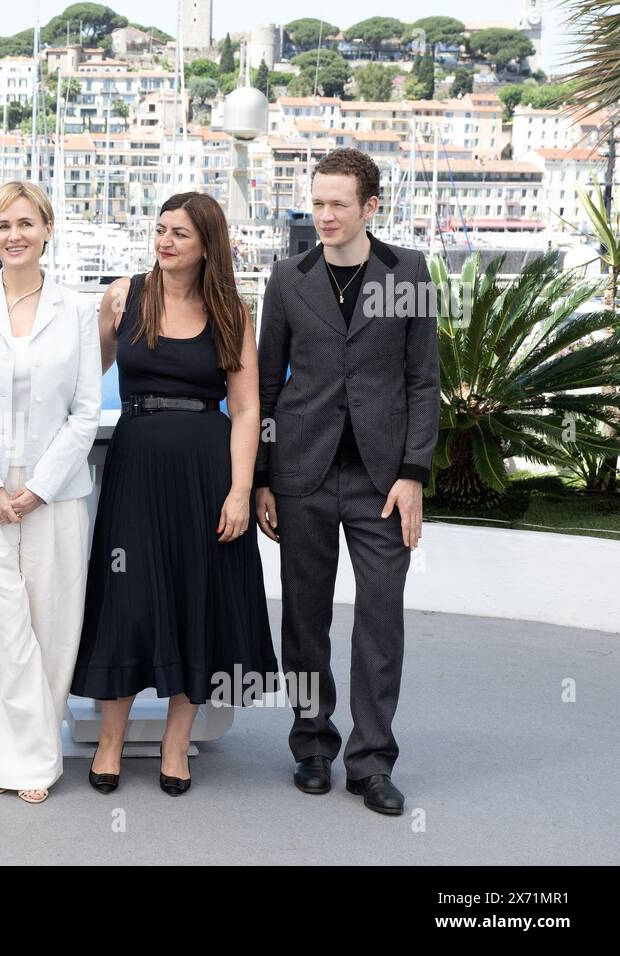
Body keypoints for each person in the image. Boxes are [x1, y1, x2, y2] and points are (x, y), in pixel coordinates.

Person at [71, 192, 277, 796]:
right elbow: (86, 378)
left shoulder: (233, 311)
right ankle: (110, 741)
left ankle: (176, 744)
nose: (164, 241)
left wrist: (240, 491)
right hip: (135, 465)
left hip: (206, 471)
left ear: (207, 244)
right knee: (127, 600)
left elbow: (245, 408)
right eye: (160, 230)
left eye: (180, 234)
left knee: (196, 598)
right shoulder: (123, 294)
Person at [254, 147, 440, 816]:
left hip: (383, 481)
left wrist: (414, 473)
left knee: (380, 616)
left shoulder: (408, 271)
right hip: (302, 471)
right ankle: (311, 745)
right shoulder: (288, 277)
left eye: (338, 204)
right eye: (318, 202)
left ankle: (371, 762)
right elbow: (266, 383)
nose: (324, 215)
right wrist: (263, 478)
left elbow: (424, 380)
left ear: (370, 207)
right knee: (304, 619)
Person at [0, 181, 101, 804]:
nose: (14, 235)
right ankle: (1, 751)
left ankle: (33, 758)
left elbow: (85, 413)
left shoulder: (76, 308)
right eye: (2, 225)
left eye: (25, 223)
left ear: (47, 228)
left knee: (52, 624)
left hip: (54, 496)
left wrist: (35, 488)